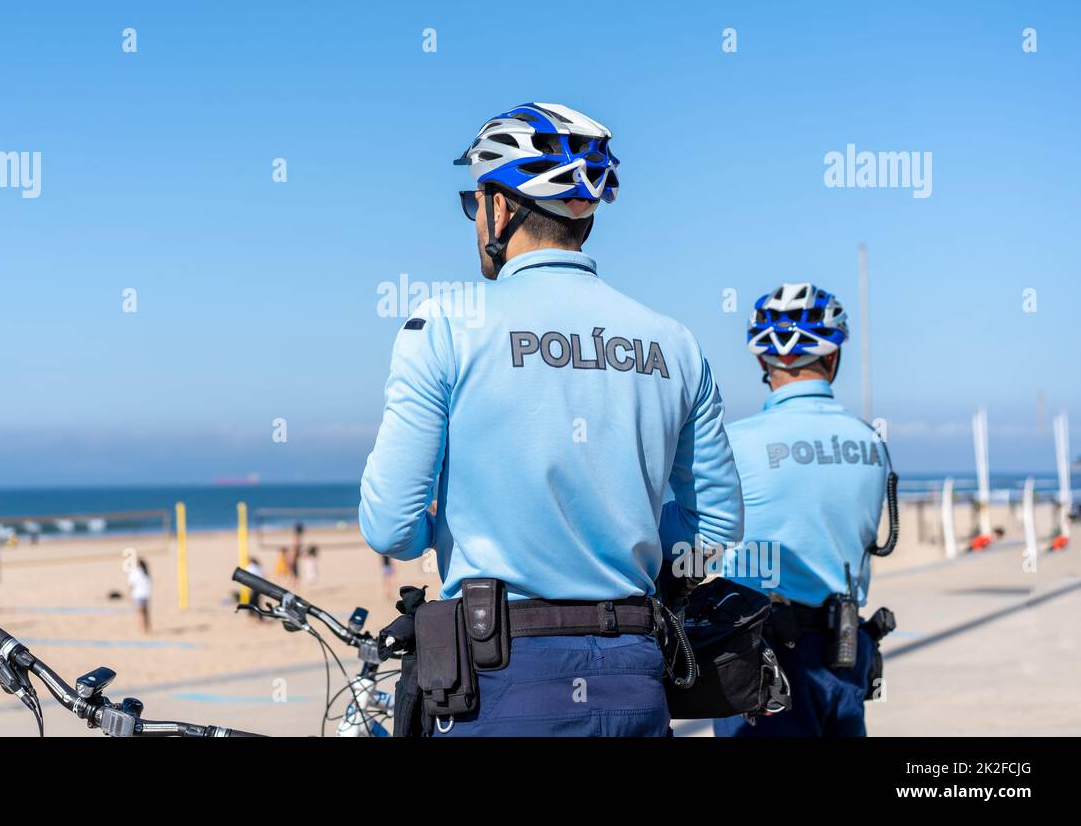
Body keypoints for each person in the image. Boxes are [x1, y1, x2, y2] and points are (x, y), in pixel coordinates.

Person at [359, 102, 744, 737]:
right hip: (635, 674)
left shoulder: (445, 326)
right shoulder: (674, 343)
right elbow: (716, 525)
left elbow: (392, 527)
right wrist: (631, 532)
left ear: (499, 208)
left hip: (500, 675)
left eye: (473, 202)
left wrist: (455, 522)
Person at [715, 283, 891, 738]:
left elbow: (691, 533)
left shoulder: (737, 442)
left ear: (762, 361)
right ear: (833, 358)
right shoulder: (871, 442)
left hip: (762, 661)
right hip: (844, 650)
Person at [128, 558, 152, 633]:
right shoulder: (146, 573)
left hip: (138, 595)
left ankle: (142, 629)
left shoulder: (134, 573)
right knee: (146, 613)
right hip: (146, 595)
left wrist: (130, 594)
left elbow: (131, 585)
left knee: (140, 614)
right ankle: (148, 628)